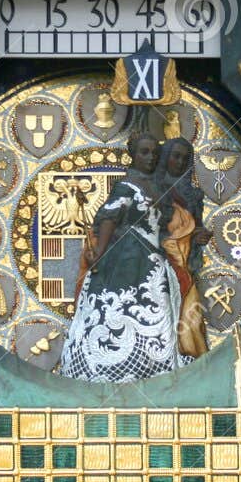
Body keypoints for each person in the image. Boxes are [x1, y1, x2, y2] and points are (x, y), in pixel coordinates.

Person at [58, 132, 182, 383]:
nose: (150, 158)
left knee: (155, 308)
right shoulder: (126, 186)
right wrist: (100, 251)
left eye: (154, 154)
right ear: (133, 155)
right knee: (119, 308)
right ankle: (112, 360)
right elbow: (109, 218)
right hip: (127, 257)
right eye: (144, 152)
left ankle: (151, 364)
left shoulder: (156, 186)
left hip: (152, 258)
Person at [159, 137, 210, 360]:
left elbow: (195, 225)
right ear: (165, 158)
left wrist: (200, 234)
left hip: (187, 259)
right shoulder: (155, 189)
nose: (180, 162)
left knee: (189, 308)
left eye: (184, 158)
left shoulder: (194, 195)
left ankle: (188, 353)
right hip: (163, 259)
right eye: (175, 156)